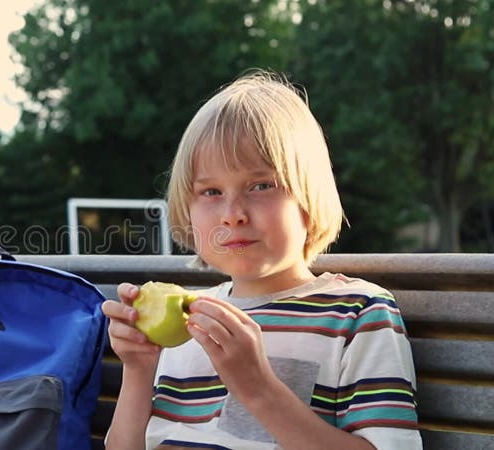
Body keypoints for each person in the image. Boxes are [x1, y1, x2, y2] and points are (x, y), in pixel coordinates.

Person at [101, 70, 422, 450]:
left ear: (308, 196)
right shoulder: (189, 321)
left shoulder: (356, 313)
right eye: (211, 191)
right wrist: (139, 370)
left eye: (261, 185)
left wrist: (260, 390)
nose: (232, 213)